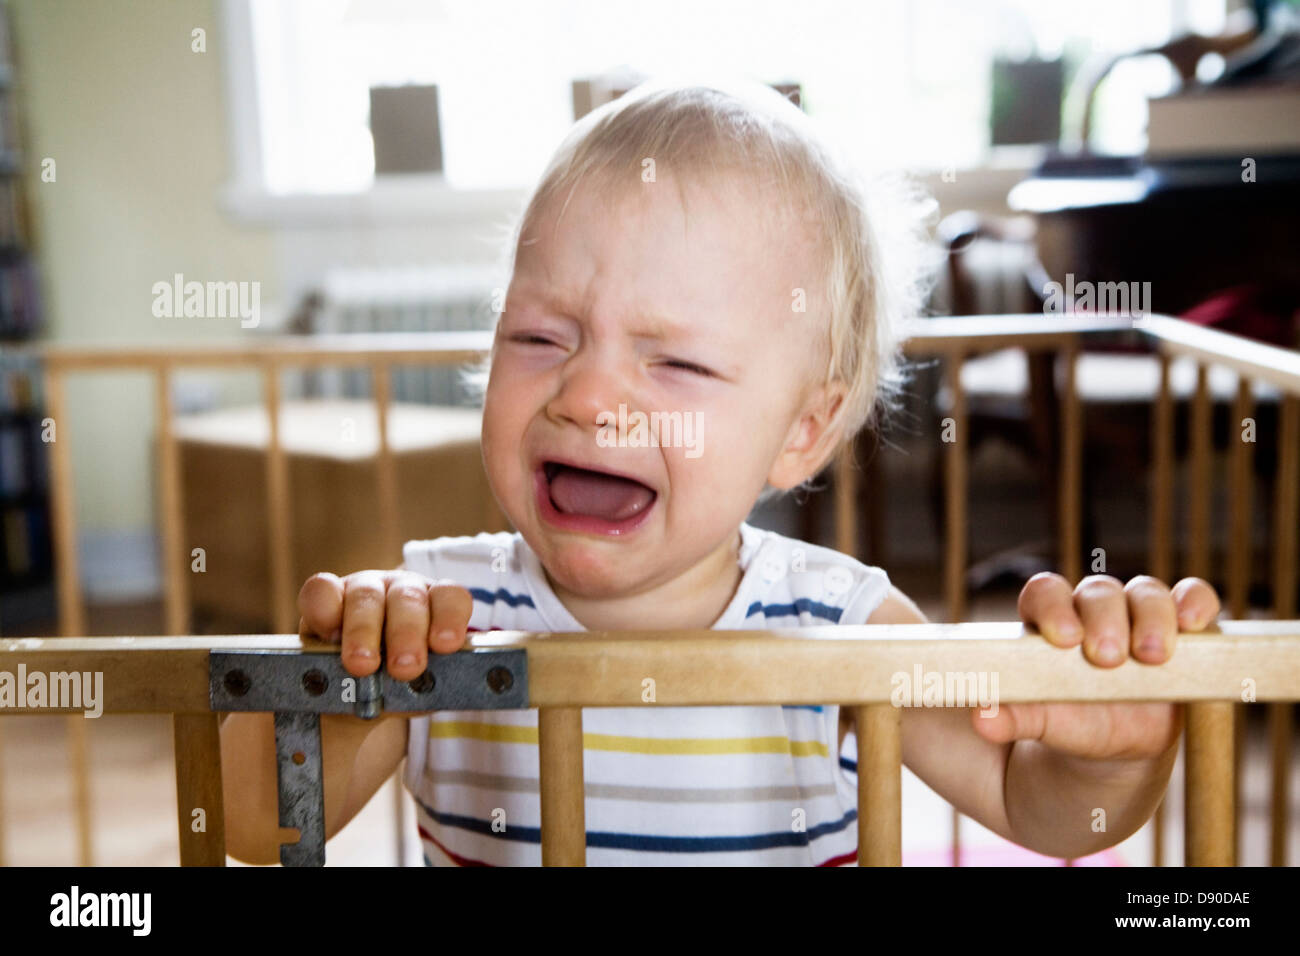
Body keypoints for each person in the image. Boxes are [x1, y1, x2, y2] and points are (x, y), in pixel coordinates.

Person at [220, 78, 1220, 866]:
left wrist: (1111, 752)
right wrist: (323, 684)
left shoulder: (840, 628)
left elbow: (1033, 807)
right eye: (539, 335)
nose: (586, 393)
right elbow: (252, 827)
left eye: (679, 361)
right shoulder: (440, 620)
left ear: (802, 431)